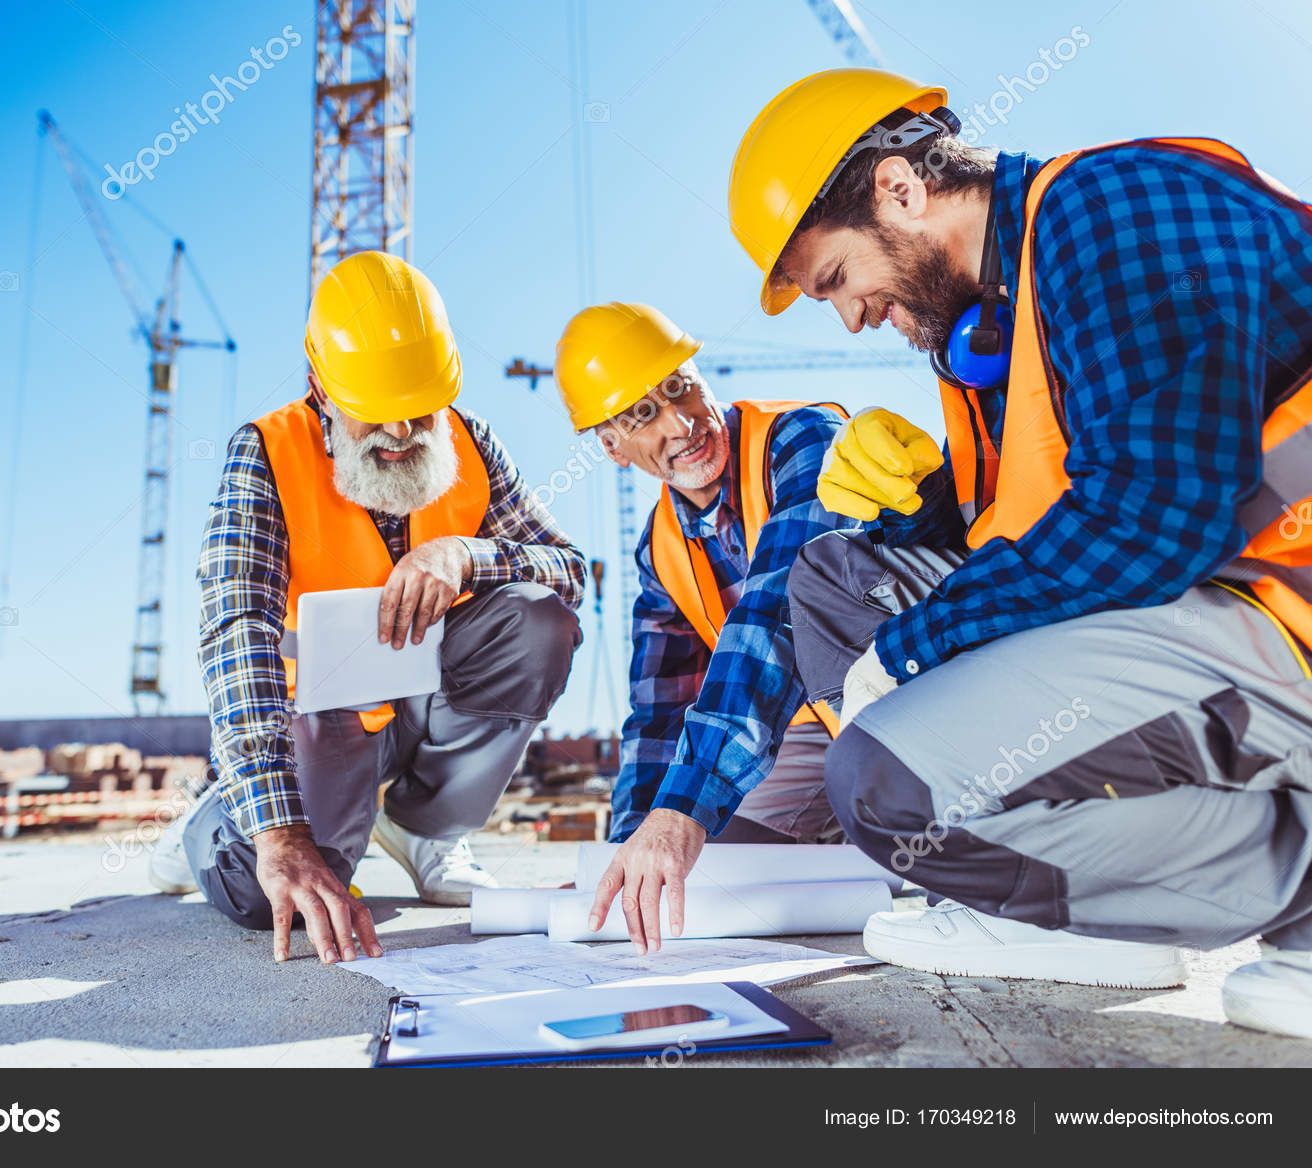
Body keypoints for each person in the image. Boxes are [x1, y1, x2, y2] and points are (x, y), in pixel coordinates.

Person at [721, 67, 1312, 1038]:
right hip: (1209, 595)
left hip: (1280, 609)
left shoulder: (1111, 209)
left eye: (834, 280)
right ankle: (1079, 917)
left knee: (886, 785)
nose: (850, 316)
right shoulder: (998, 316)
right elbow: (1040, 531)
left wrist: (915, 648)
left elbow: (1152, 511)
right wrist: (922, 515)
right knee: (839, 581)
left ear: (899, 190)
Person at [152, 251, 585, 966]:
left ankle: (428, 828)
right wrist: (280, 835)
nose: (403, 432)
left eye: (419, 408)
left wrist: (466, 555)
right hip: (321, 720)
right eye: (375, 412)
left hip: (425, 702)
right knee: (271, 897)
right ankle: (213, 816)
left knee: (539, 622)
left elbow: (568, 572)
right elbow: (237, 631)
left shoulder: (471, 444)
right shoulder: (266, 454)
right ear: (321, 387)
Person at [554, 302, 858, 954]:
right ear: (612, 447)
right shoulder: (660, 548)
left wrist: (684, 810)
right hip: (799, 732)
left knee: (703, 825)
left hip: (892, 696)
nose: (681, 422)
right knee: (708, 872)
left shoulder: (804, 440)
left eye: (680, 388)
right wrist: (623, 855)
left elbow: (777, 612)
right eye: (643, 415)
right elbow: (660, 715)